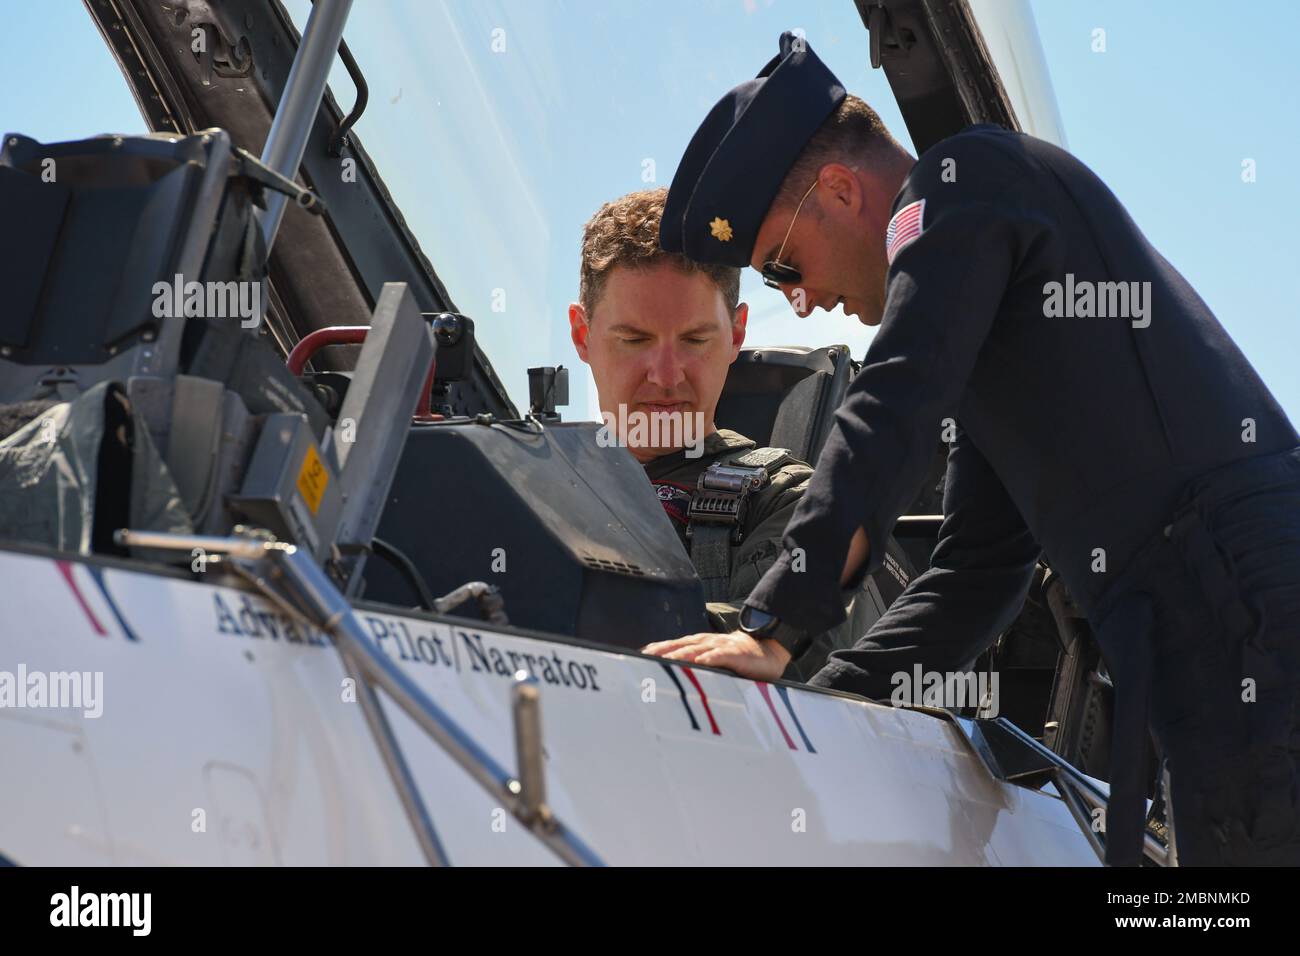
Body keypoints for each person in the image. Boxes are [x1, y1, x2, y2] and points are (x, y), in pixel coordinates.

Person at [643, 32, 1300, 866]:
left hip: (1244, 619)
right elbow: (975, 578)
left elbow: (894, 397)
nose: (800, 303)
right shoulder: (996, 307)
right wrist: (820, 700)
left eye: (782, 267)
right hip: (1210, 641)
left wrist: (773, 626)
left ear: (840, 190)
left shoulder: (963, 186)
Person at [569, 187, 913, 681]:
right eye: (635, 340)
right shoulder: (524, 480)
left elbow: (768, 654)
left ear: (736, 334)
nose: (666, 376)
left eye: (694, 340)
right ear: (583, 336)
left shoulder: (793, 503)